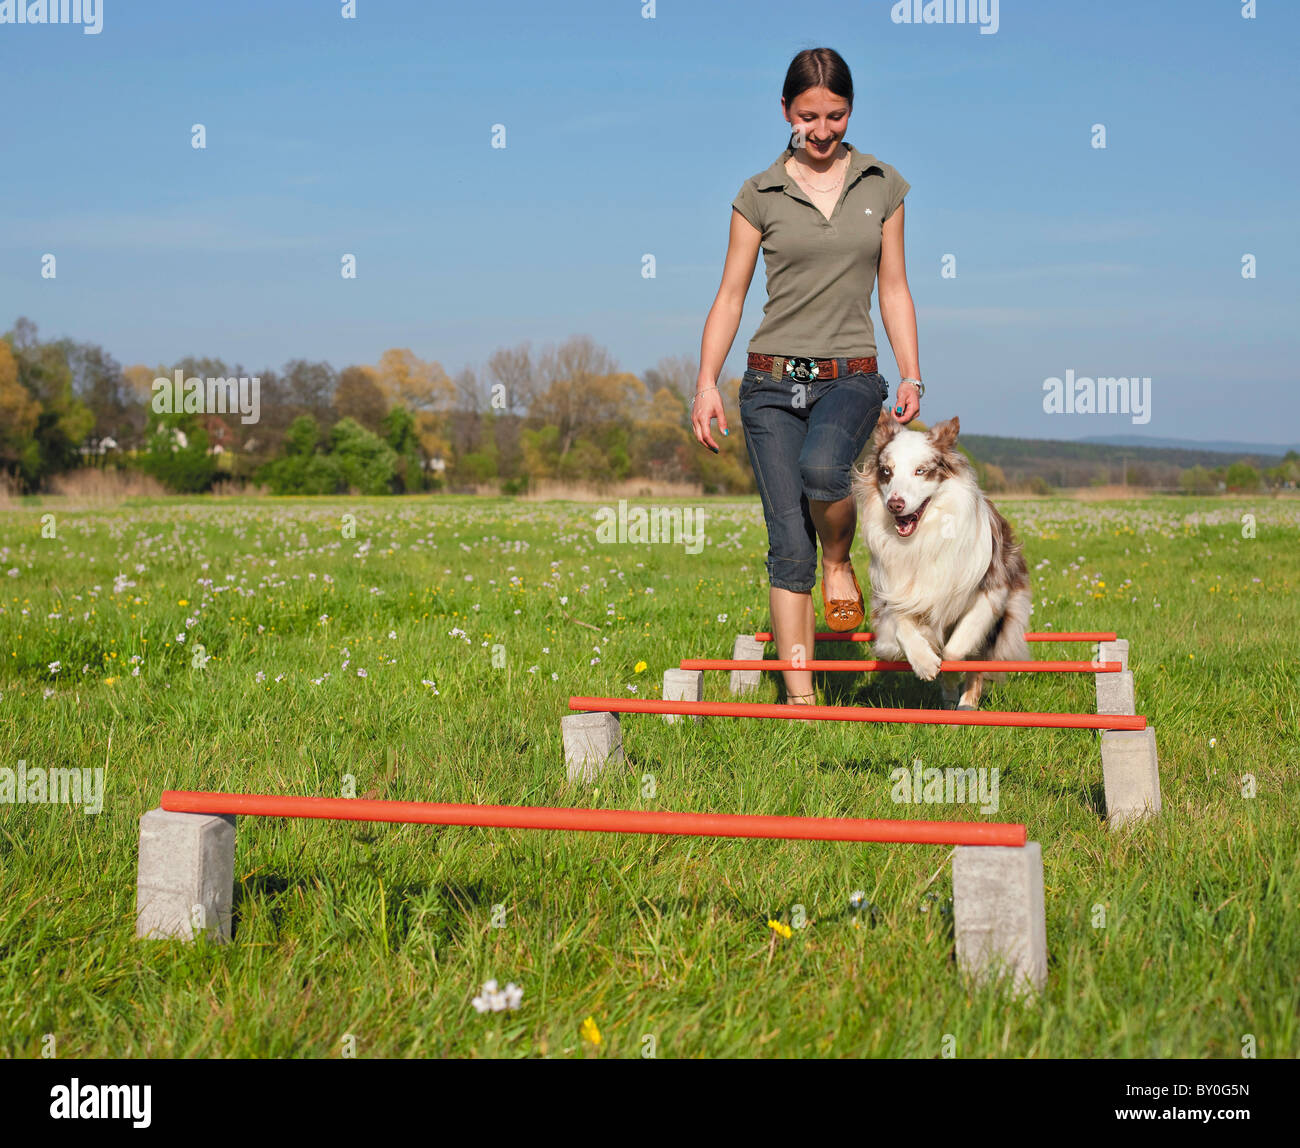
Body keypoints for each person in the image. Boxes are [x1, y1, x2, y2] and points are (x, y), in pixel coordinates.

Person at [691, 46, 923, 709]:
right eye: (809, 116)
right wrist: (706, 383)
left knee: (825, 472)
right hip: (769, 382)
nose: (823, 131)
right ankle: (801, 700)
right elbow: (730, 296)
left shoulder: (883, 184)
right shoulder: (757, 194)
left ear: (851, 110)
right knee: (785, 542)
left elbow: (895, 288)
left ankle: (839, 560)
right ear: (786, 112)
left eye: (837, 115)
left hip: (850, 375)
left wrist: (912, 373)